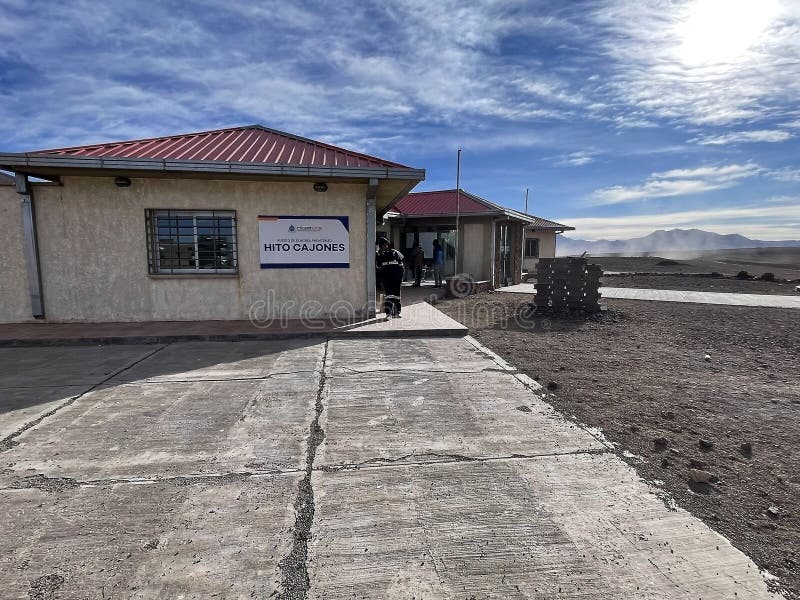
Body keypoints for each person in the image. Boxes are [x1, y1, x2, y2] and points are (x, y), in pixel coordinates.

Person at [376, 237, 404, 317]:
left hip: (396, 277)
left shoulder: (395, 252)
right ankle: (388, 314)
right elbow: (378, 267)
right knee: (389, 295)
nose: (386, 247)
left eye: (386, 245)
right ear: (380, 246)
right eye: (384, 245)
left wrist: (400, 277)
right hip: (387, 278)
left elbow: (401, 265)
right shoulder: (378, 255)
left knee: (397, 295)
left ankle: (397, 312)